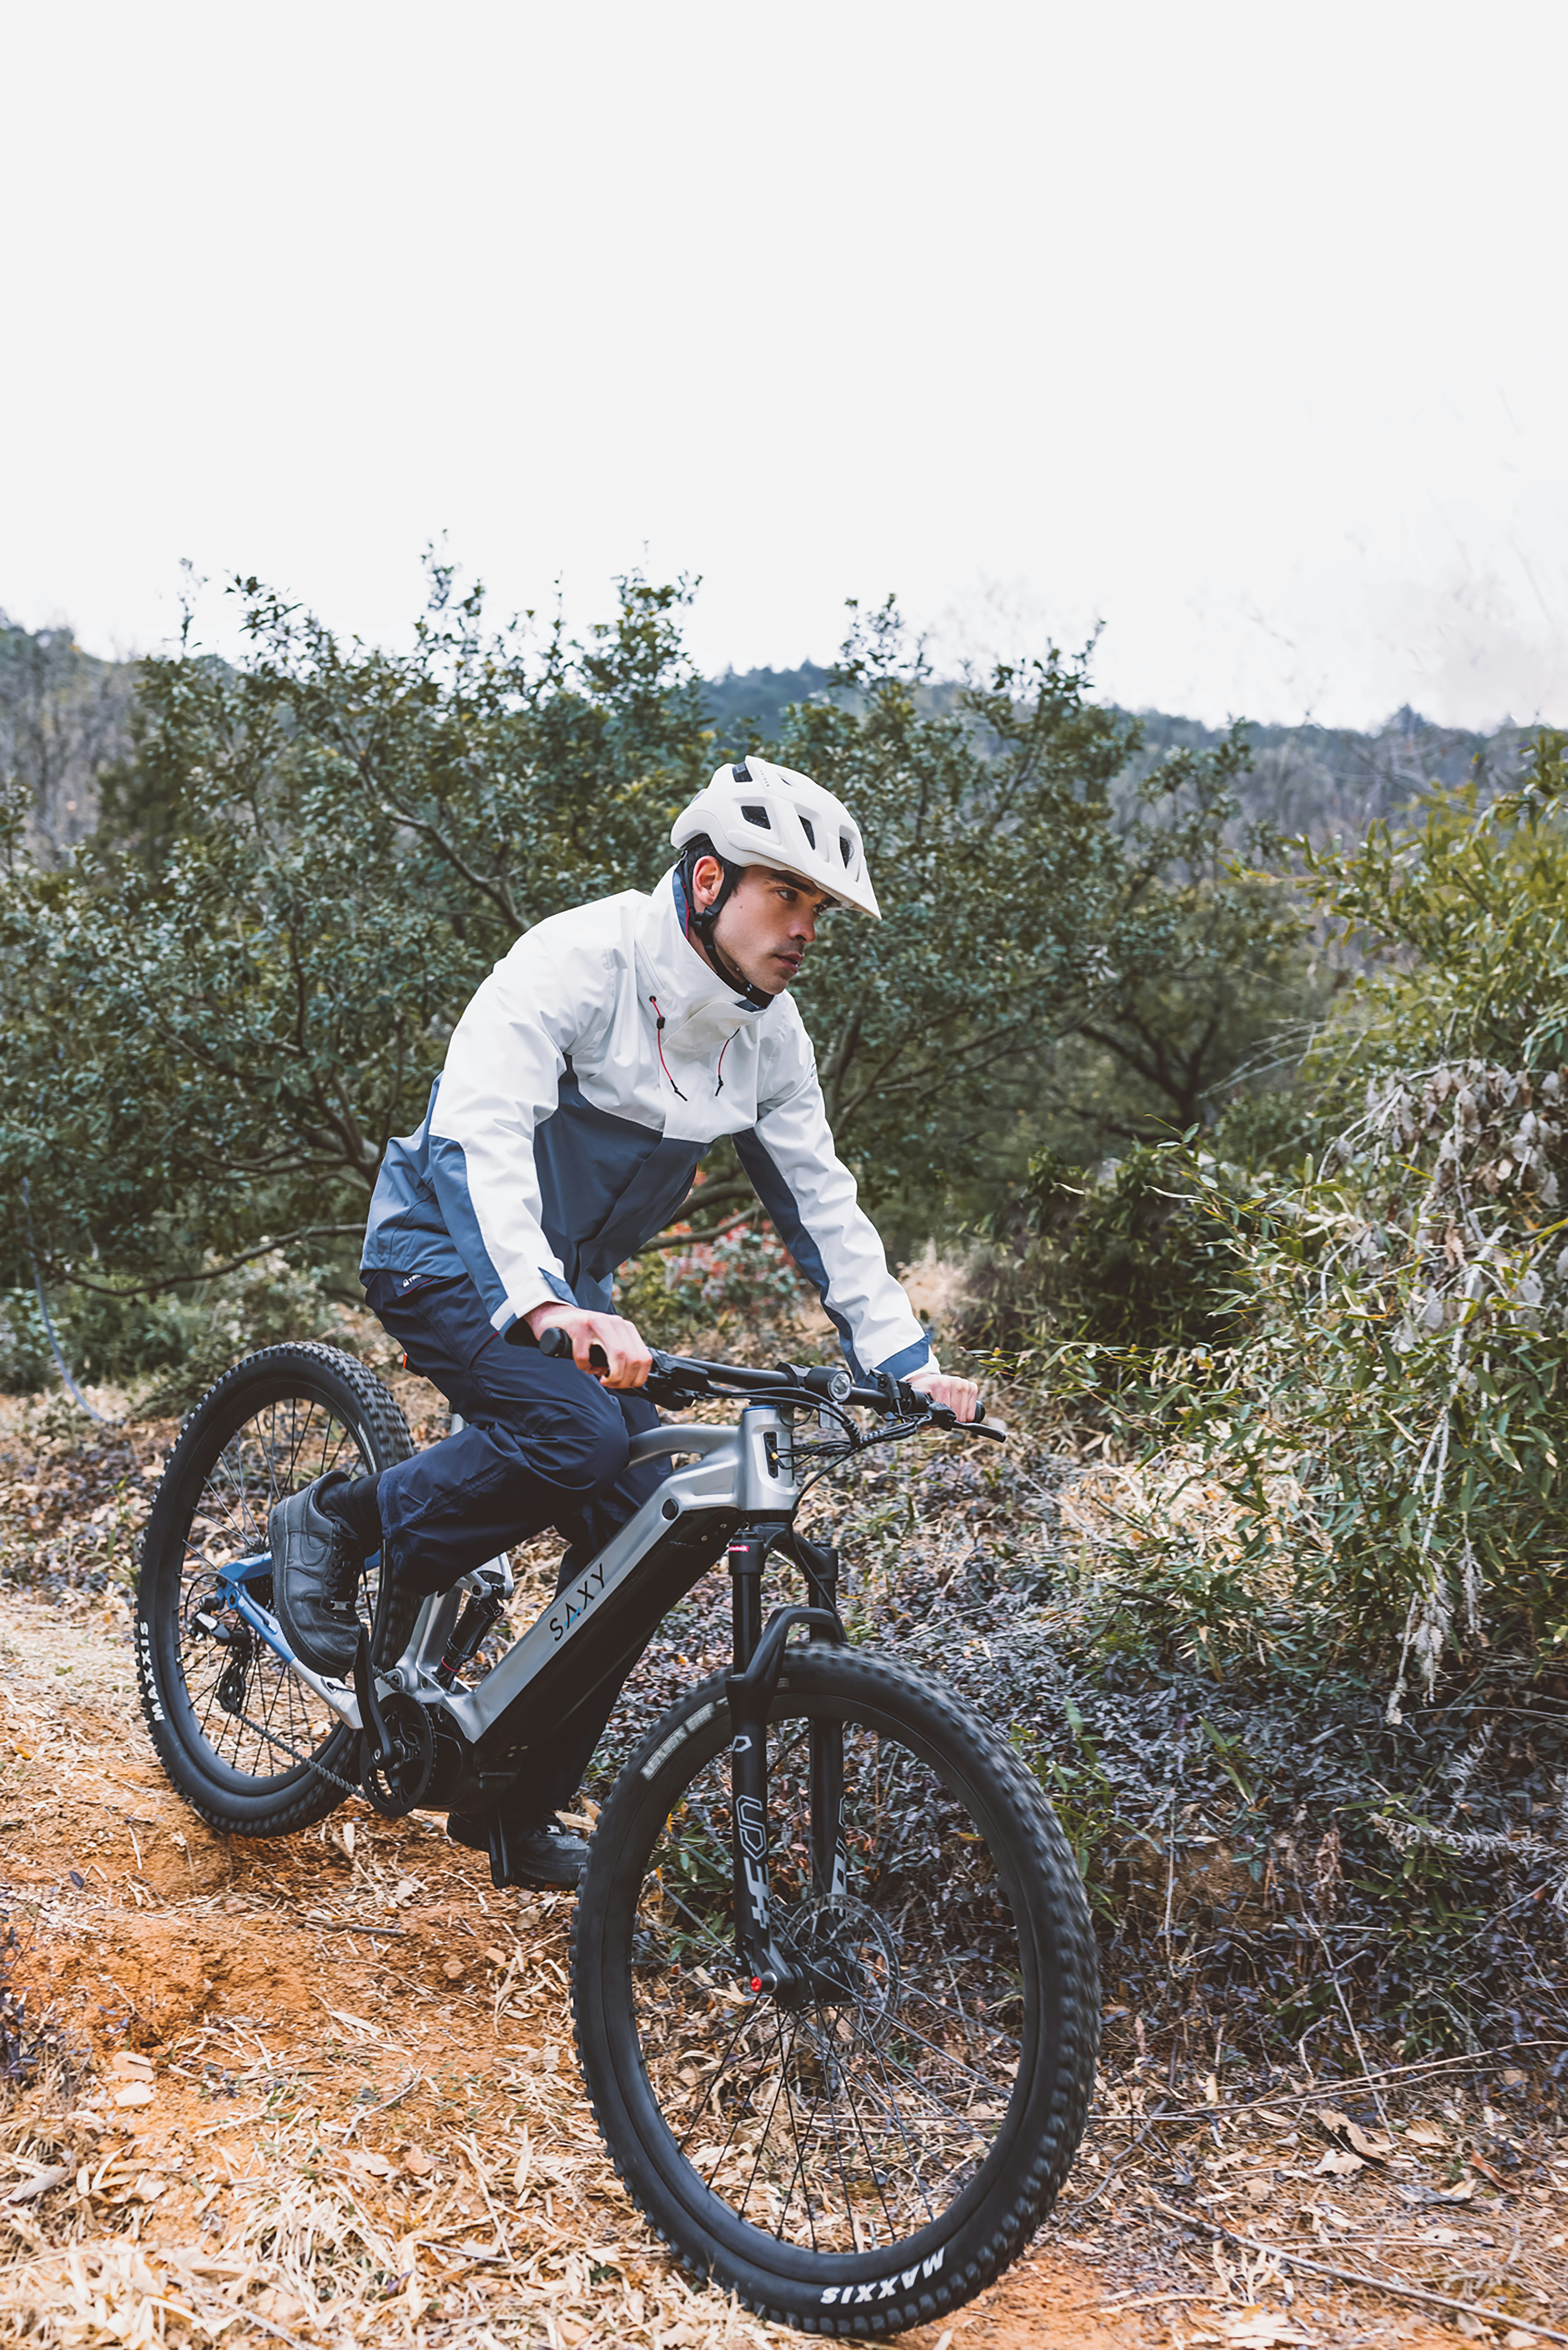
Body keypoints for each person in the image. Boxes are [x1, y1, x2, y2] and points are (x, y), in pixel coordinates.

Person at [269, 757, 979, 1886]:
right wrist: (542, 1302)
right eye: (783, 897)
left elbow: (821, 1202)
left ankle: (514, 1806)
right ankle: (342, 1528)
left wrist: (906, 1361)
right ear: (706, 883)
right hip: (445, 1243)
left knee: (643, 1514)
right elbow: (482, 1137)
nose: (804, 930)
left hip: (572, 1288)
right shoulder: (578, 957)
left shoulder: (769, 1036)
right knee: (576, 1438)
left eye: (817, 911)